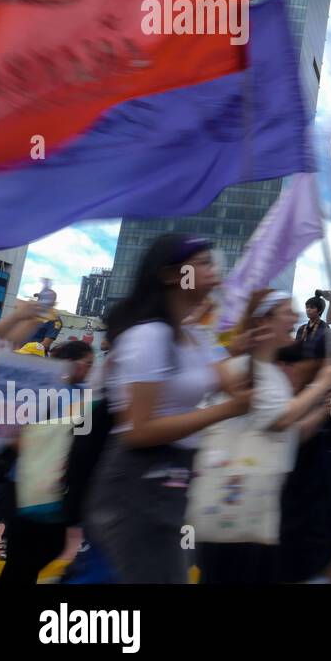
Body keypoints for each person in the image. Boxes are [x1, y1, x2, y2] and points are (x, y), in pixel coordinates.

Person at [83, 235, 251, 583]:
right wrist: (225, 410)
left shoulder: (194, 337)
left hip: (173, 479)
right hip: (138, 483)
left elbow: (237, 386)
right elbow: (138, 430)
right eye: (203, 262)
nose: (213, 270)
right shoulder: (150, 337)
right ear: (172, 276)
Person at [195, 290, 331, 584]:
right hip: (235, 518)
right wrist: (322, 384)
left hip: (256, 515)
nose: (296, 318)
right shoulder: (245, 369)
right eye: (286, 313)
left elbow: (288, 435)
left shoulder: (268, 372)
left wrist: (322, 409)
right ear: (264, 321)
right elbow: (279, 419)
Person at [0, 338, 93, 584]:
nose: (91, 369)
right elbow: (15, 431)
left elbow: (83, 436)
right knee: (23, 555)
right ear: (70, 363)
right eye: (87, 363)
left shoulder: (84, 395)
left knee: (47, 547)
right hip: (24, 481)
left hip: (57, 485)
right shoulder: (42, 389)